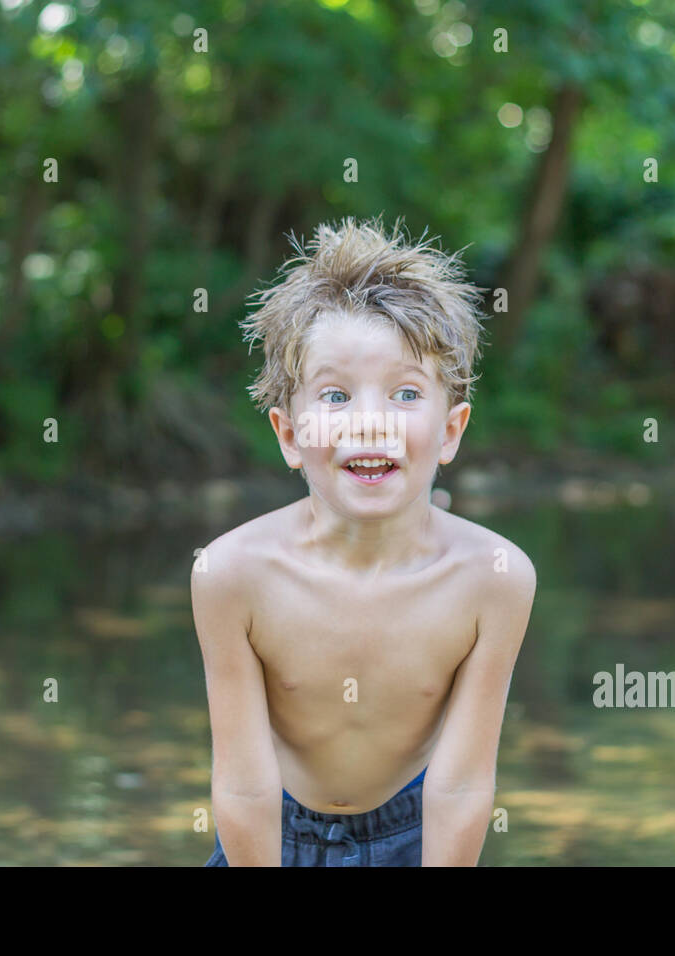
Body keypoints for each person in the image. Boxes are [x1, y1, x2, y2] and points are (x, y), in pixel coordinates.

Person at [193, 215, 536, 866]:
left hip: (414, 835)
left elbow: (461, 786)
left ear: (451, 429)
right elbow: (243, 786)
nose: (372, 422)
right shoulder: (231, 574)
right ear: (289, 434)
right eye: (336, 395)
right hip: (272, 838)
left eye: (406, 392)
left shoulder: (495, 578)